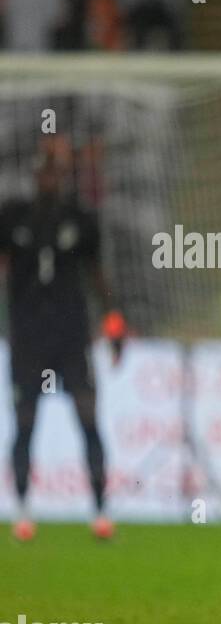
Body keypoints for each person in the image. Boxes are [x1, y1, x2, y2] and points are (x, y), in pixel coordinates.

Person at [1, 138, 124, 541]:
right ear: (35, 175)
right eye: (45, 171)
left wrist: (113, 323)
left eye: (57, 171)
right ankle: (22, 510)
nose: (50, 178)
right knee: (25, 422)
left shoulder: (81, 219)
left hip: (72, 338)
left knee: (88, 418)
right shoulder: (13, 217)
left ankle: (101, 511)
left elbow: (97, 275)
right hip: (28, 338)